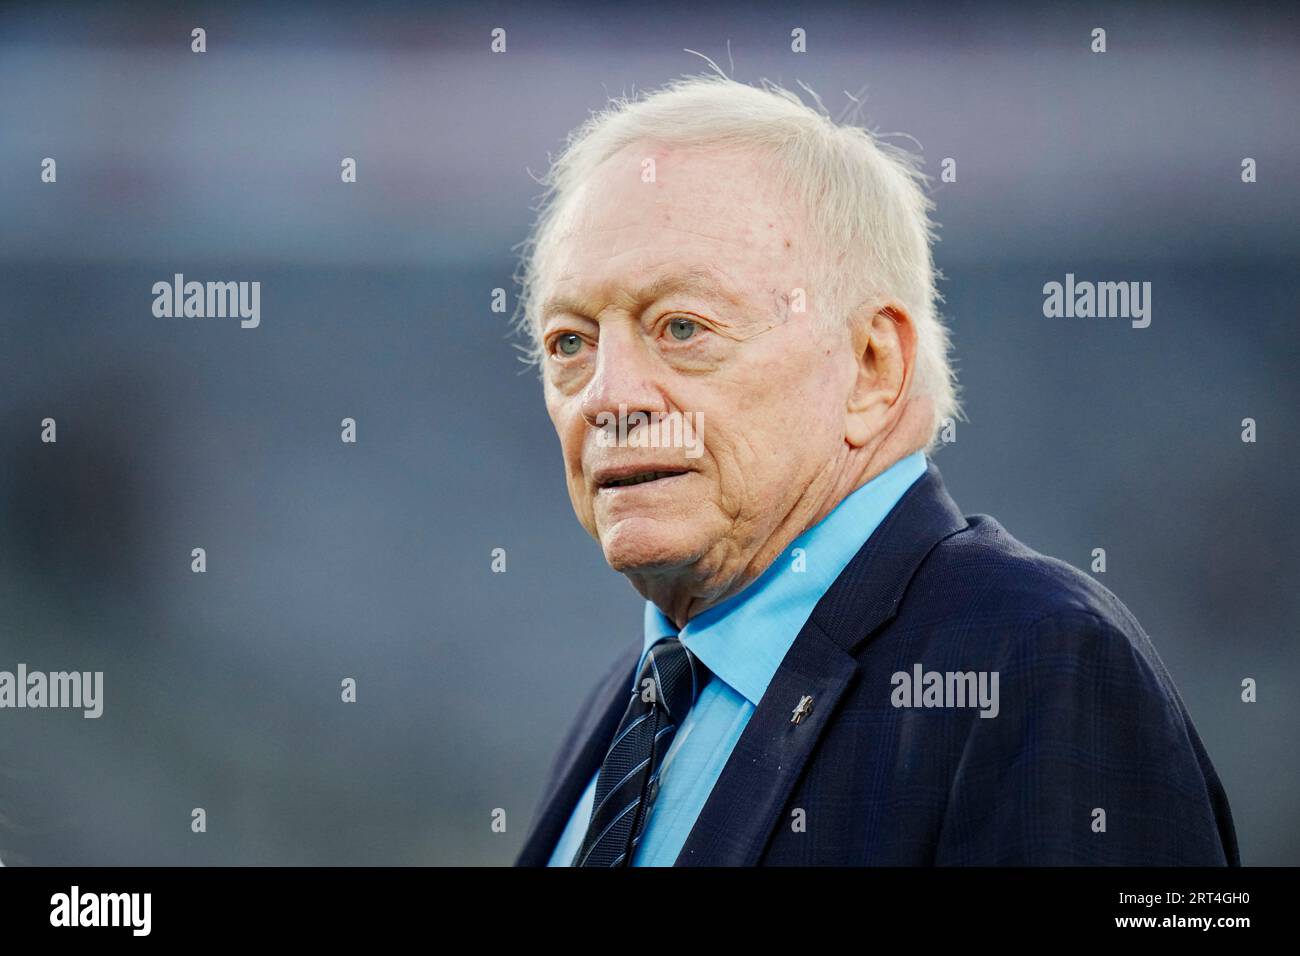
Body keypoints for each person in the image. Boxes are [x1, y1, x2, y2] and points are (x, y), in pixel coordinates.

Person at [512, 72, 1239, 866]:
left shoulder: (1039, 662)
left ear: (871, 366)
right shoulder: (631, 707)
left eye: (682, 327)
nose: (609, 397)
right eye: (570, 343)